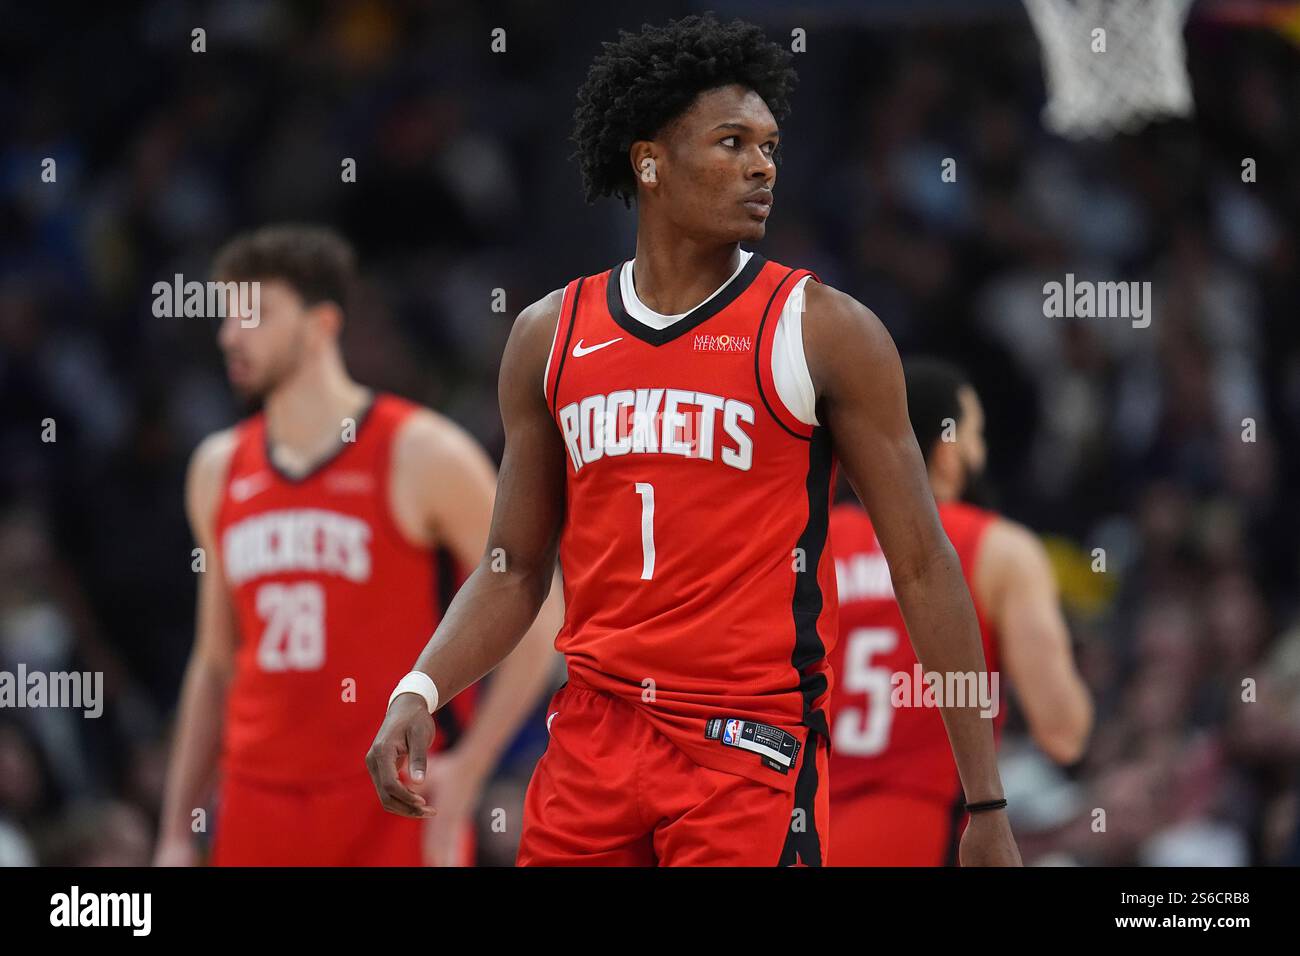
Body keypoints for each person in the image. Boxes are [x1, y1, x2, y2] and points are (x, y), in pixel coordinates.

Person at [368, 14, 1020, 866]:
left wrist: (987, 804)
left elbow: (925, 563)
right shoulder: (548, 336)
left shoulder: (823, 331)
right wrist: (420, 686)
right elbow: (516, 568)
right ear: (649, 162)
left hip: (747, 750)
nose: (762, 167)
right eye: (731, 142)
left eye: (771, 146)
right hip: (591, 742)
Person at [155, 224, 561, 866]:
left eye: (254, 315)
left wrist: (468, 769)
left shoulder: (422, 452)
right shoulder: (218, 467)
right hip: (258, 799)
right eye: (227, 317)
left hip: (389, 796)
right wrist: (176, 832)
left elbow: (539, 607)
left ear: (321, 324)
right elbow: (213, 664)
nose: (230, 334)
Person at [827, 359, 1093, 865]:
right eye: (975, 435)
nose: (980, 452)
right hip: (922, 831)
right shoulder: (1000, 548)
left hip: (796, 829)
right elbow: (1063, 732)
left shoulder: (807, 541)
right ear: (948, 453)